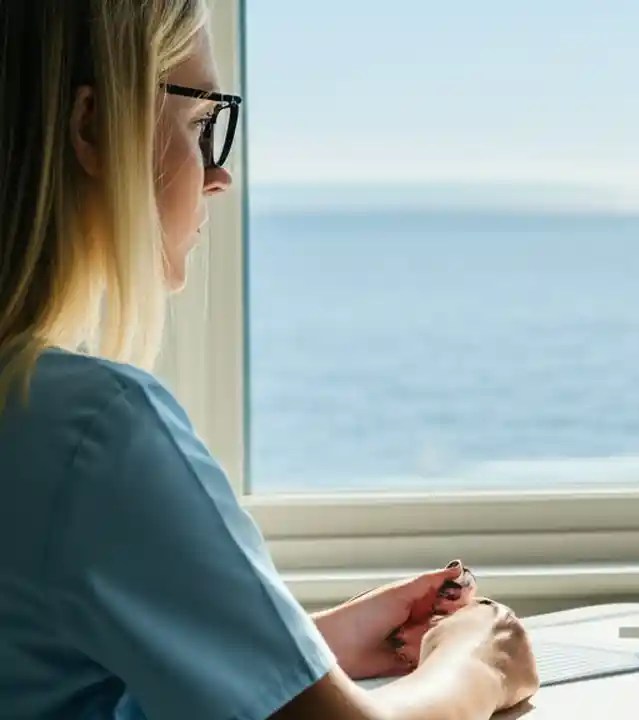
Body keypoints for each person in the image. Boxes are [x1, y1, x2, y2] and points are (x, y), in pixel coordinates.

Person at [0, 2, 537, 719]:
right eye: (199, 126)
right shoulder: (90, 430)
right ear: (94, 127)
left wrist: (309, 653)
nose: (218, 176)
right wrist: (477, 661)